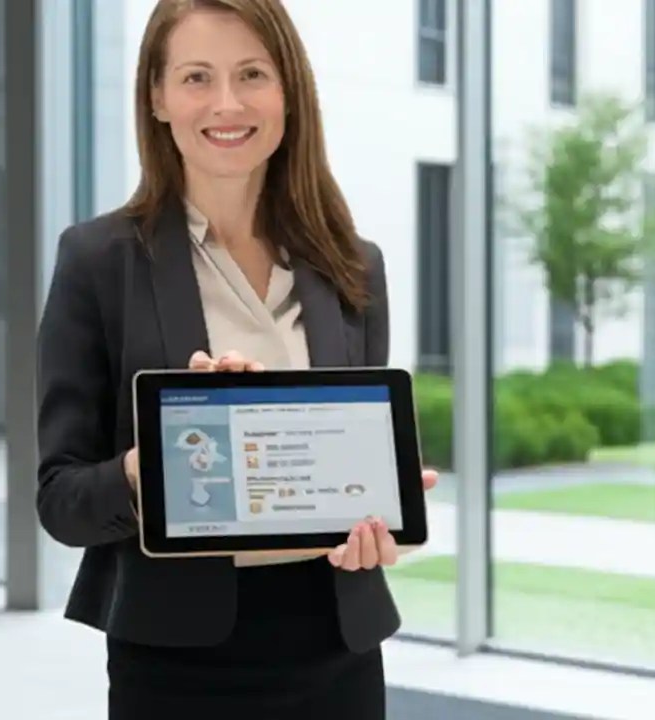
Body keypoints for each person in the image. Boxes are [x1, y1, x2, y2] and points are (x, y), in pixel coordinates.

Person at [34, 1, 438, 718]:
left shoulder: (354, 266)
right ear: (157, 98)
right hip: (176, 659)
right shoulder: (98, 261)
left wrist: (379, 509)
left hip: (338, 647)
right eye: (196, 77)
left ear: (288, 89)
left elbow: (347, 460)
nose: (227, 103)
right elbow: (62, 503)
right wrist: (152, 461)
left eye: (252, 73)